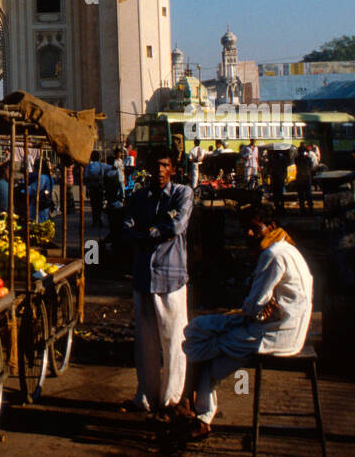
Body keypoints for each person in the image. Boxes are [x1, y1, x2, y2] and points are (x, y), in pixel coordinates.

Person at [181, 200, 314, 439]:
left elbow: (253, 305)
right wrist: (258, 305)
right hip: (283, 327)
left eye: (256, 228)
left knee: (197, 335)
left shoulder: (272, 254)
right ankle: (195, 407)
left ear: (271, 226)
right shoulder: (286, 247)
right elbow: (259, 302)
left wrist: (255, 306)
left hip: (275, 332)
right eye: (247, 229)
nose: (250, 234)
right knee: (201, 337)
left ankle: (192, 406)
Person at [122, 149, 193, 417]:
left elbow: (175, 227)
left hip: (171, 277)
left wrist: (147, 231)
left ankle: (171, 400)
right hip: (143, 277)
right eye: (156, 165)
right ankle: (146, 397)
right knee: (145, 343)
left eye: (165, 165)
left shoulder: (182, 194)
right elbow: (126, 229)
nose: (160, 170)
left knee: (174, 341)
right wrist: (153, 231)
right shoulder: (138, 197)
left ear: (172, 169)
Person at [85, 151, 105, 228]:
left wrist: (87, 189)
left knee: (93, 205)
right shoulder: (102, 166)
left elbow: (86, 179)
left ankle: (95, 220)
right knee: (99, 205)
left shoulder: (88, 166)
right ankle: (99, 218)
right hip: (100, 189)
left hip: (92, 189)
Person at [294, 145, 314, 214]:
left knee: (301, 194)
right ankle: (310, 208)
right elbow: (311, 166)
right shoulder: (308, 158)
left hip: (300, 177)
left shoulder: (297, 159)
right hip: (307, 177)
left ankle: (302, 209)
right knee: (308, 193)